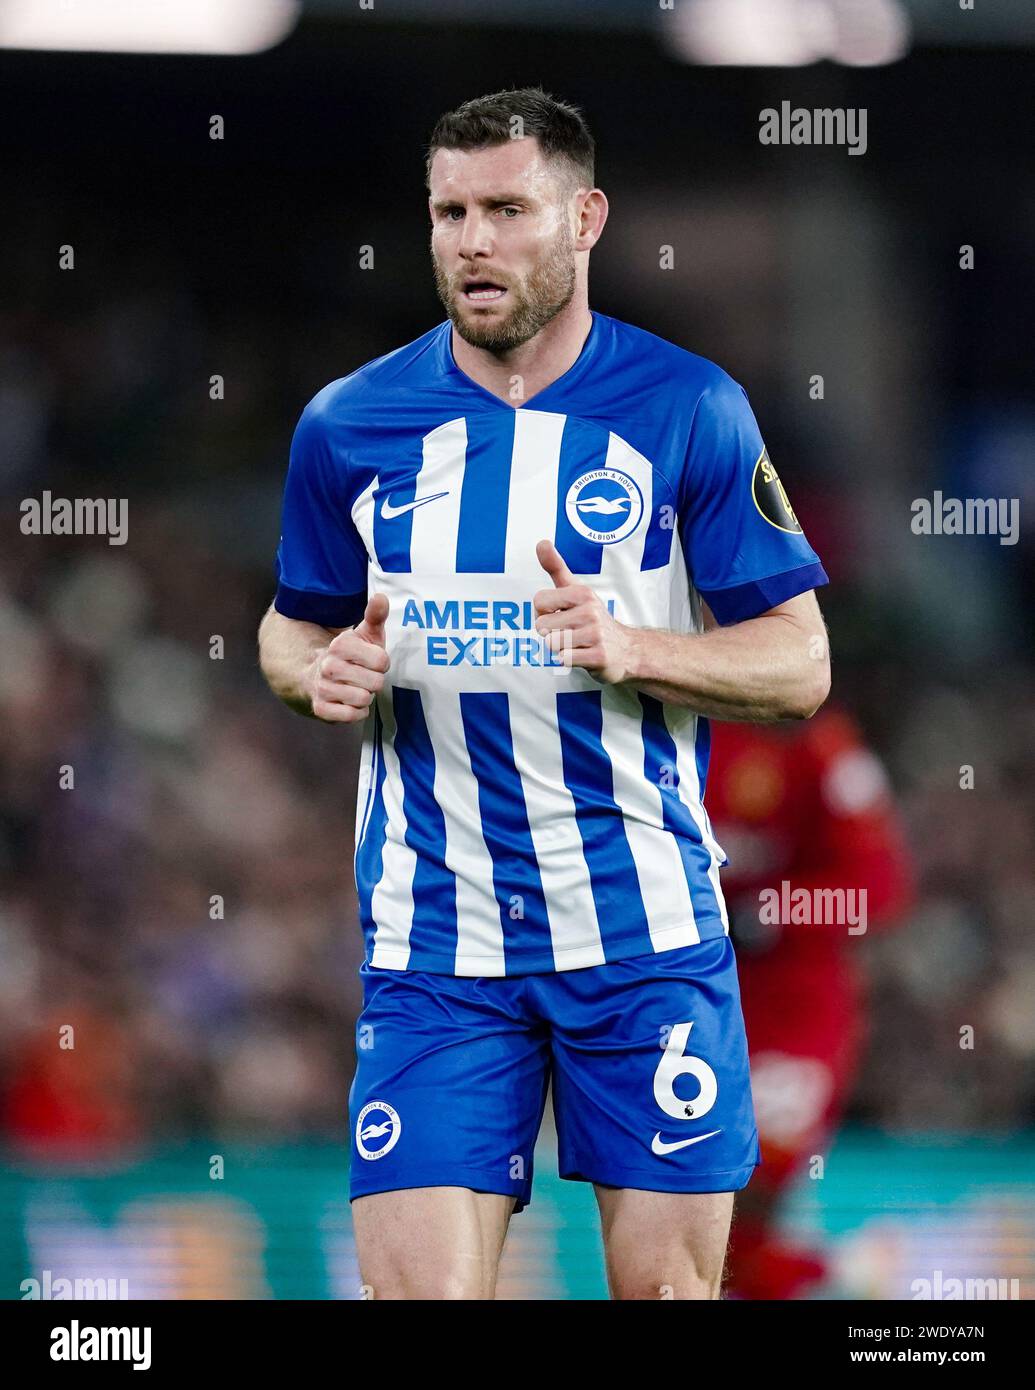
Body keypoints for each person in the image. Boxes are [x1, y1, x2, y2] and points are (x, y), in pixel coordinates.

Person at [257, 87, 830, 1300]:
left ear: (585, 220)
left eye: (508, 209)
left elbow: (799, 663)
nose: (472, 241)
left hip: (645, 936)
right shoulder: (349, 424)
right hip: (437, 947)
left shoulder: (690, 409)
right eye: (450, 212)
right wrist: (317, 673)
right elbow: (289, 623)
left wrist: (636, 648)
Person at [709, 707, 915, 1299]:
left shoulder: (826, 751)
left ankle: (841, 1274)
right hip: (689, 1000)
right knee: (701, 1215)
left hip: (795, 1014)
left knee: (746, 1183)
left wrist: (771, 913)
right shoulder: (671, 731)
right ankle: (844, 1273)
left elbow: (879, 889)